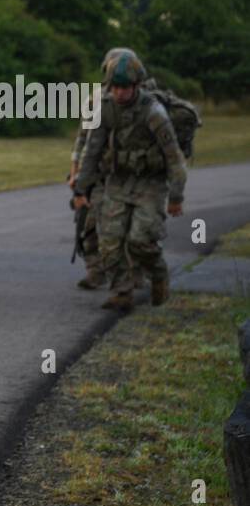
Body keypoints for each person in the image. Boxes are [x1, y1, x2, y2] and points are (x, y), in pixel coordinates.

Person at [73, 48, 186, 312]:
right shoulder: (105, 108)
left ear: (136, 85)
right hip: (118, 181)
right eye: (115, 87)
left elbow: (175, 159)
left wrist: (176, 197)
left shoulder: (154, 113)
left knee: (140, 241)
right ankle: (121, 292)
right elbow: (92, 151)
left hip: (150, 184)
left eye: (125, 87)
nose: (120, 92)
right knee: (109, 241)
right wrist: (81, 188)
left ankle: (158, 273)